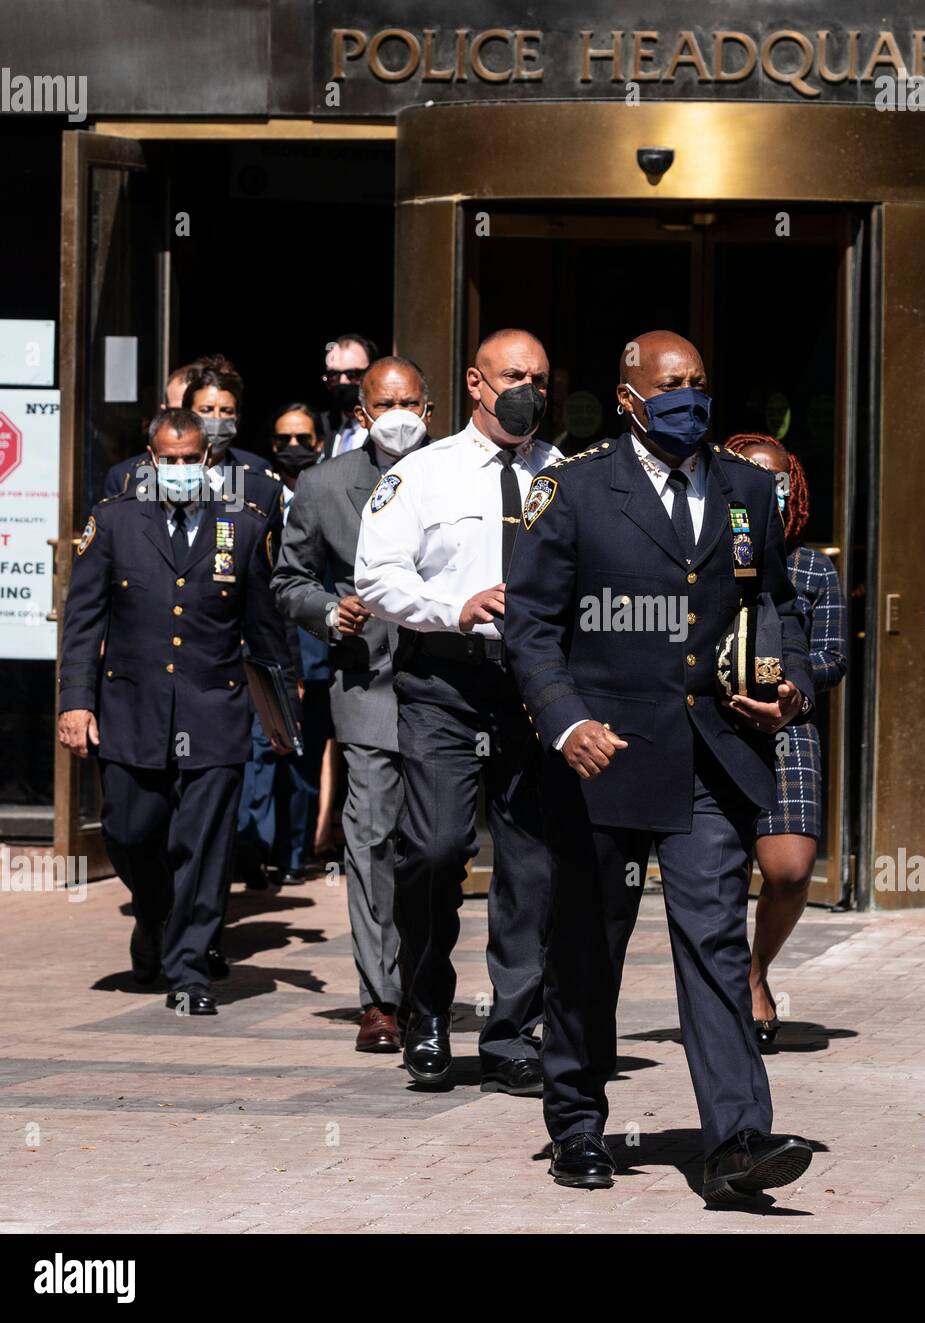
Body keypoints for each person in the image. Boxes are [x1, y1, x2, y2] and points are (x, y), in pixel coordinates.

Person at [504, 330, 816, 1201]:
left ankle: (737, 1140)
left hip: (711, 757)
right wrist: (565, 723)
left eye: (701, 382)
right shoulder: (570, 490)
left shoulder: (747, 484)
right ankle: (575, 1122)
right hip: (602, 759)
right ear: (630, 397)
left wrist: (785, 685)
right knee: (588, 948)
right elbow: (530, 625)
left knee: (715, 943)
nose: (690, 396)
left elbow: (776, 606)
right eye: (671, 384)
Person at [354, 329, 557, 1096]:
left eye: (539, 377)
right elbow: (376, 577)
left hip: (532, 691)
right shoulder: (422, 474)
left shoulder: (564, 475)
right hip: (444, 680)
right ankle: (426, 1009)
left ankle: (512, 1033)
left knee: (531, 866)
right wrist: (454, 606)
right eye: (513, 375)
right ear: (475, 382)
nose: (527, 389)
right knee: (436, 851)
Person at [56, 408, 294, 1015]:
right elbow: (83, 623)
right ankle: (155, 918)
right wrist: (75, 702)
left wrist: (280, 715)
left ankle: (189, 971)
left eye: (194, 460)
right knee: (130, 833)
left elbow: (265, 633)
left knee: (204, 845)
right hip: (131, 710)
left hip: (213, 712)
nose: (183, 470)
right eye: (172, 460)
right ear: (151, 459)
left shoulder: (242, 526)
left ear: (208, 461)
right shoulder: (113, 523)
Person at [273, 366, 430, 1053]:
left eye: (409, 402)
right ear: (362, 413)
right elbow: (289, 580)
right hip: (368, 687)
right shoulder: (324, 485)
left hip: (452, 687)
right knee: (369, 837)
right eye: (384, 403)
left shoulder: (460, 474)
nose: (399, 413)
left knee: (437, 846)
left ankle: (438, 982)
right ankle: (382, 999)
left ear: (430, 405)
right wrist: (329, 611)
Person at [724, 433, 848, 1049]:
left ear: (791, 489)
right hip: (713, 724)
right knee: (717, 873)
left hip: (786, 727)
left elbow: (832, 656)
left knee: (791, 869)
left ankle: (755, 969)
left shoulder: (812, 567)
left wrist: (791, 688)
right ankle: (722, 994)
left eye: (774, 479)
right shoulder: (703, 553)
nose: (761, 487)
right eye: (746, 474)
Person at [235, 406, 332, 889]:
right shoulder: (258, 497)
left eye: (303, 436)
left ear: (320, 441)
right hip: (263, 649)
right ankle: (255, 850)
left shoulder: (328, 494)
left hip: (315, 658)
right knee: (258, 754)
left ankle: (294, 855)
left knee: (302, 762)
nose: (293, 445)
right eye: (283, 437)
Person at [106, 355, 282, 513]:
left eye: (226, 411)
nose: (216, 419)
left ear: (237, 418)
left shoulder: (258, 477)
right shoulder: (131, 477)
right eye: (206, 410)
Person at [320, 333, 377, 458]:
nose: (343, 381)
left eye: (353, 374)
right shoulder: (319, 426)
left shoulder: (385, 426)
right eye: (334, 375)